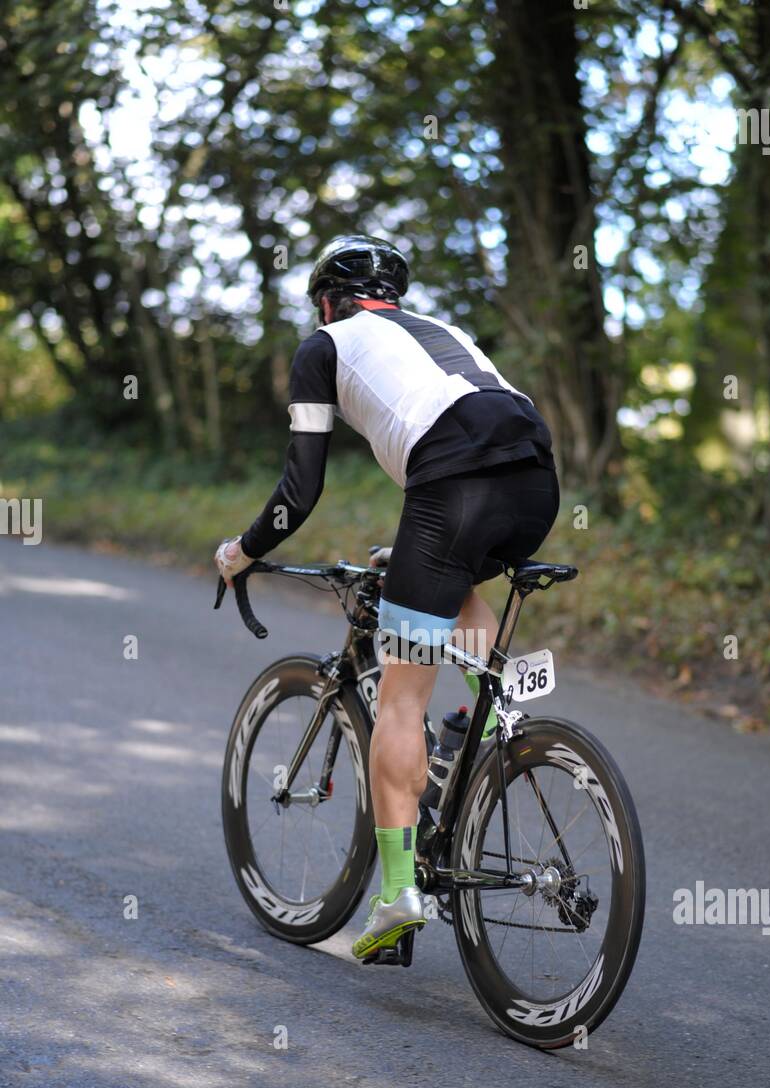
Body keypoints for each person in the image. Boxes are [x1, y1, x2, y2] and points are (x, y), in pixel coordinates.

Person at [215, 234, 559, 960]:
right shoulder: (443, 333)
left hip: (451, 491)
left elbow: (299, 491)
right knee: (449, 579)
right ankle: (497, 715)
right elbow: (470, 441)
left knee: (400, 701)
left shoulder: (322, 347)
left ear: (325, 302)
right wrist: (408, 554)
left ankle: (397, 894)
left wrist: (241, 552)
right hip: (534, 478)